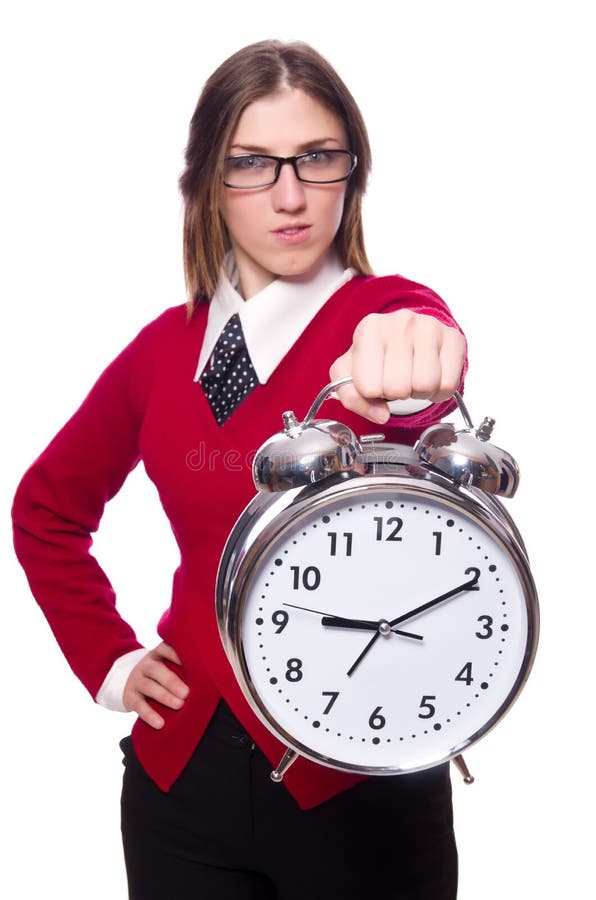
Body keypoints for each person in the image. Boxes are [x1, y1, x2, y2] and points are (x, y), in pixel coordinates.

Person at [13, 39, 467, 899]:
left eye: (317, 159)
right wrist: (107, 659)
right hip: (179, 786)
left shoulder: (383, 316)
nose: (290, 196)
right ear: (206, 185)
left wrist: (421, 351)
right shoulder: (161, 352)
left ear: (353, 173)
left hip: (363, 788)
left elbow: (420, 345)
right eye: (252, 164)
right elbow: (44, 510)